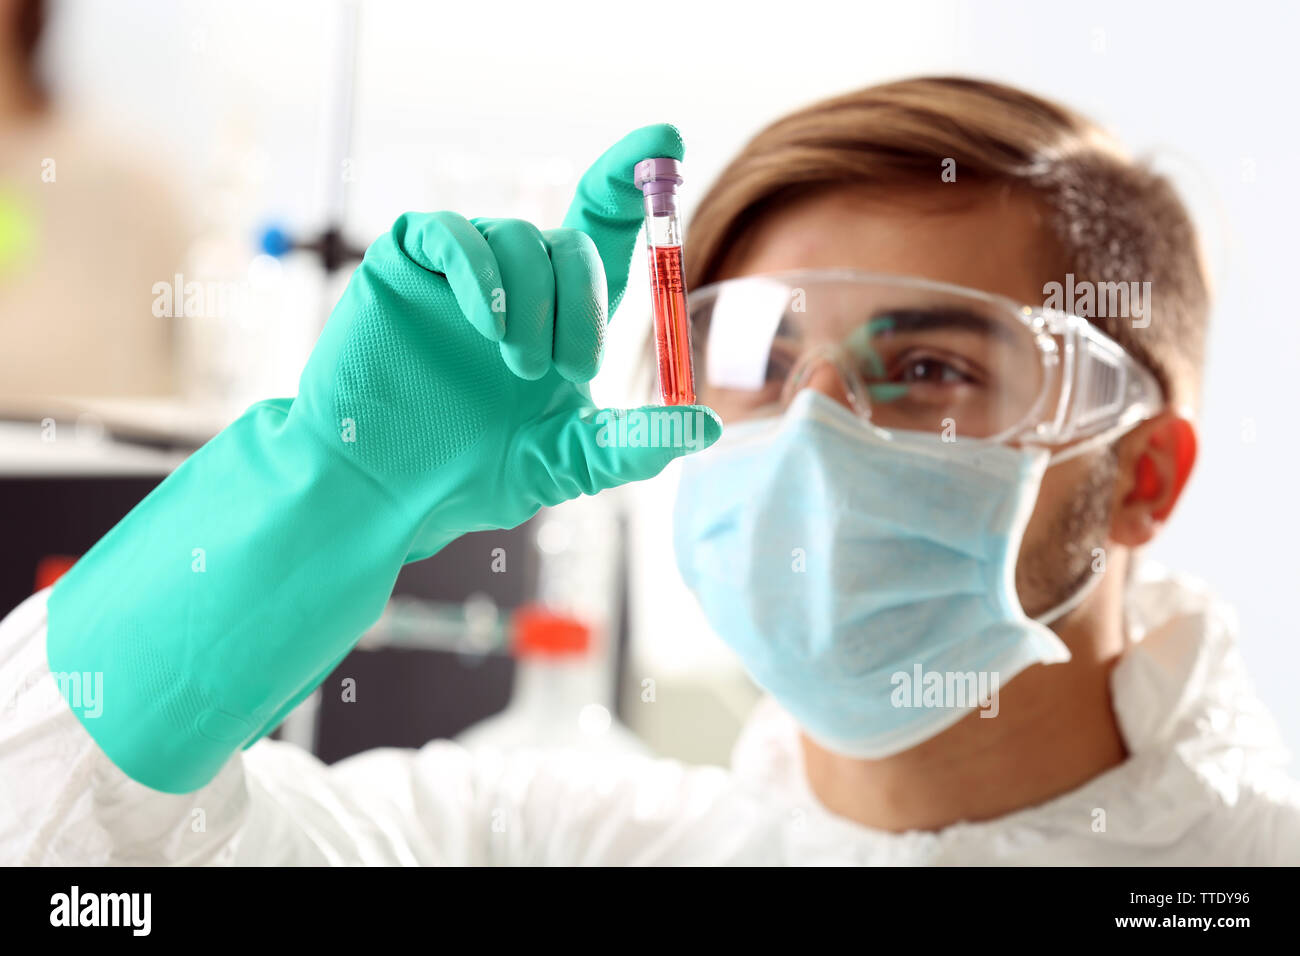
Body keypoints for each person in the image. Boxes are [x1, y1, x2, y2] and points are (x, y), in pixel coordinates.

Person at [2, 77, 1297, 865]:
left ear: (1143, 476)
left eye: (931, 371)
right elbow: (62, 857)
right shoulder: (547, 846)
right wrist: (332, 486)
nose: (810, 431)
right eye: (760, 357)